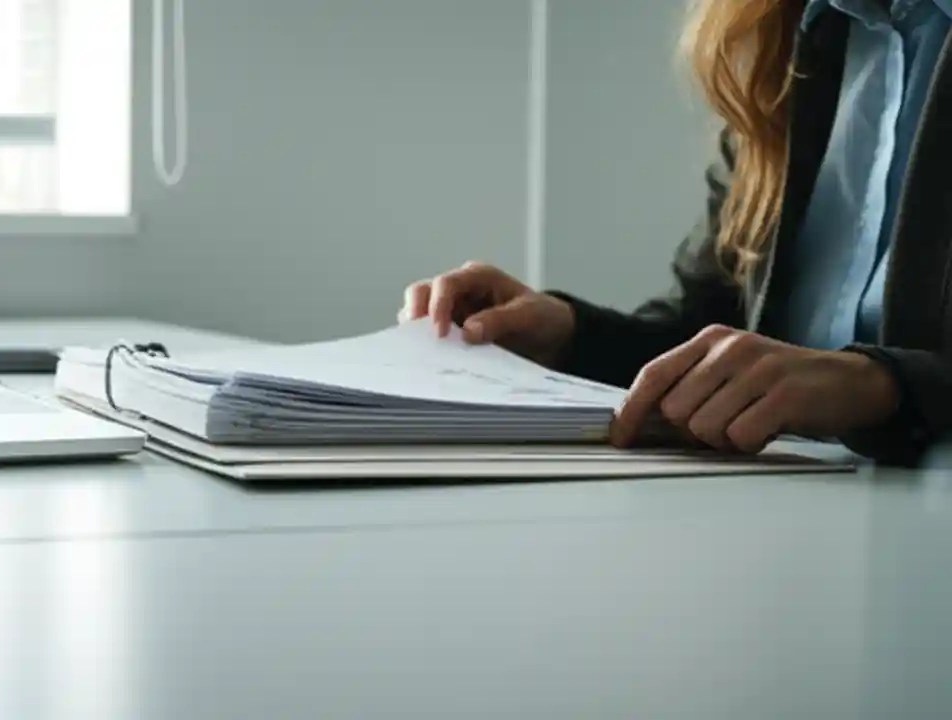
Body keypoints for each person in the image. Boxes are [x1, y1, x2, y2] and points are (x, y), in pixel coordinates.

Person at [400, 0, 952, 464]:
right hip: (777, 513)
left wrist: (884, 387)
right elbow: (706, 329)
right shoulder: (785, 39)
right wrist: (566, 335)